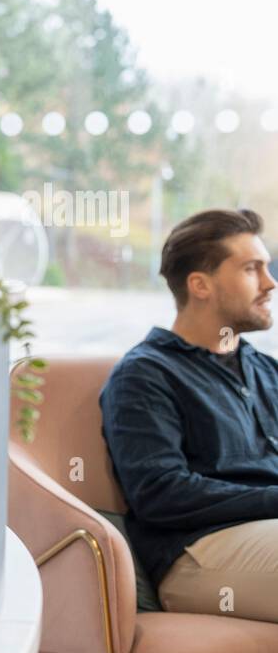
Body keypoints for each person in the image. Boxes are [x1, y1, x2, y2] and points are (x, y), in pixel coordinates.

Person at [100, 208, 278, 623]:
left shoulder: (267, 372)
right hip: (198, 553)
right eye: (252, 269)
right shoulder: (145, 374)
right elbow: (161, 493)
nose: (270, 284)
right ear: (200, 284)